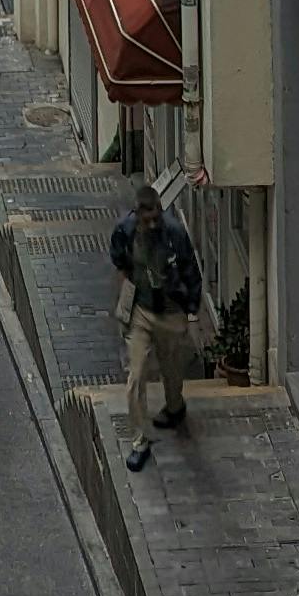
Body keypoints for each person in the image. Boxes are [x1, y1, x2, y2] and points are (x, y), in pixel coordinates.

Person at [109, 182, 202, 468]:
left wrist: (190, 309)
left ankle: (175, 406)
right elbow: (118, 258)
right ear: (136, 213)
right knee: (135, 376)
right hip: (140, 310)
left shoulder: (174, 232)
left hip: (169, 310)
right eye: (145, 220)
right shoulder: (125, 230)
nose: (150, 225)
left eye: (155, 219)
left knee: (171, 367)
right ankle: (140, 439)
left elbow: (190, 270)